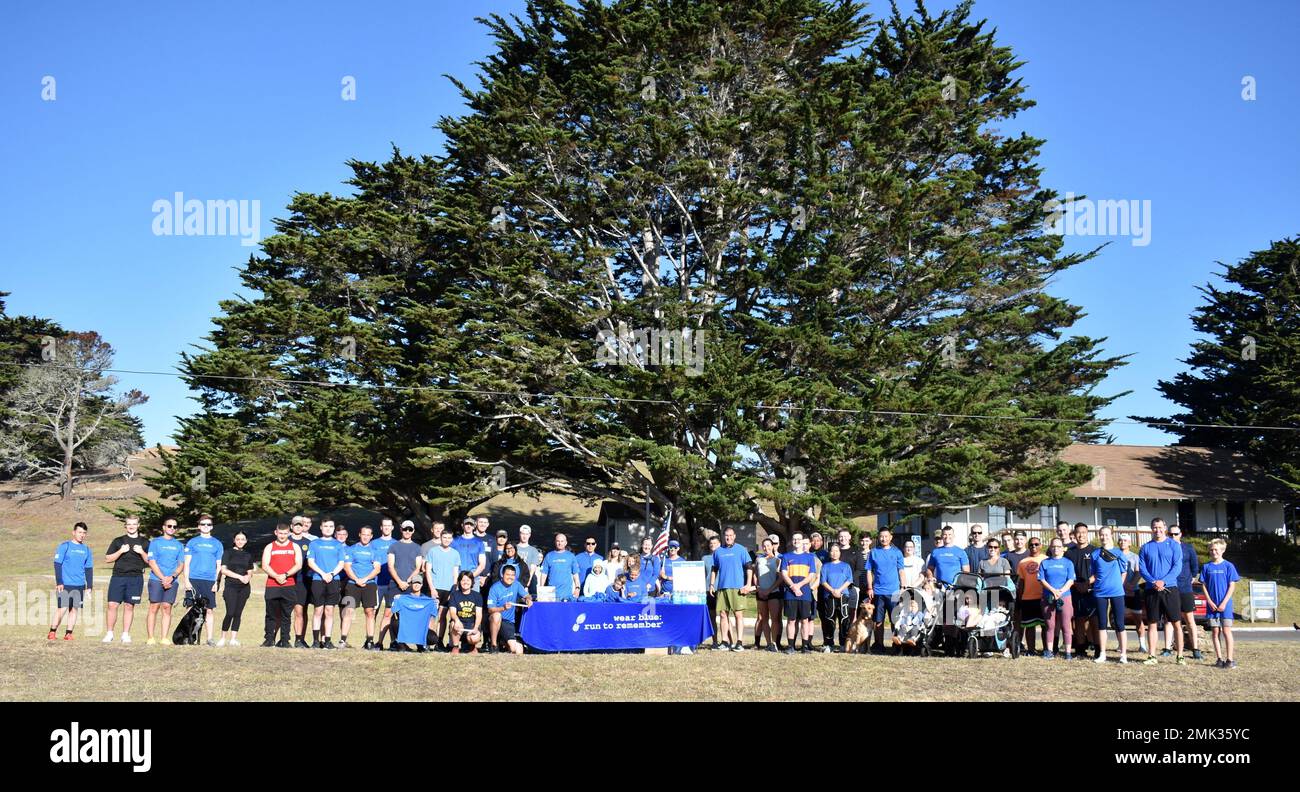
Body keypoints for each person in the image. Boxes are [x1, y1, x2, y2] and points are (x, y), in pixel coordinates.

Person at [1139, 518, 1184, 666]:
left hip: (1170, 589)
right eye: (1154, 527)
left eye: (1160, 527)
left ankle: (1180, 656)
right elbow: (1142, 568)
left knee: (1176, 623)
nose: (1157, 530)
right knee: (1152, 623)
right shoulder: (1145, 547)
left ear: (1164, 528)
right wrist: (1153, 582)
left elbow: (1177, 567)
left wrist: (1163, 581)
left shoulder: (1174, 545)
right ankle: (1151, 656)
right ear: (1151, 529)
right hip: (1151, 590)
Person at [102, 516, 150, 644]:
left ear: (138, 525)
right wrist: (120, 551)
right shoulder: (118, 541)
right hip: (118, 577)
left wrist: (141, 552)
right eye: (129, 524)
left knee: (129, 606)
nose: (131, 526)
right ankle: (109, 633)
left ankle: (125, 634)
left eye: (134, 524)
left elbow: (150, 561)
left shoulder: (145, 542)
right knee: (112, 605)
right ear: (125, 526)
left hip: (135, 578)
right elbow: (108, 558)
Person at [379, 521, 424, 650]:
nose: (407, 532)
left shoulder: (417, 548)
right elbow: (390, 566)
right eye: (405, 529)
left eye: (410, 529)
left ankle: (403, 642)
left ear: (413, 531)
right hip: (395, 585)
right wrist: (399, 582)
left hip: (410, 586)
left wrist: (408, 581)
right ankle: (380, 642)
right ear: (401, 529)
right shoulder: (394, 546)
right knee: (389, 613)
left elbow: (417, 568)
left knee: (408, 615)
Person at [1089, 525, 1129, 664]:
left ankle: (1123, 654)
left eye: (1106, 534)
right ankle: (1103, 654)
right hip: (1100, 592)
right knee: (1102, 623)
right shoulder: (1095, 554)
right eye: (1101, 535)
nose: (1104, 537)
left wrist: (1120, 584)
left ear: (1111, 535)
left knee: (1119, 623)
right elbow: (1093, 573)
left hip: (1117, 592)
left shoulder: (1119, 553)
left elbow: (1124, 572)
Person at [49, 522, 94, 641]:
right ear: (74, 532)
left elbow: (88, 568)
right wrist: (59, 582)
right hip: (65, 584)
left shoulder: (87, 549)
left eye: (84, 533)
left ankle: (68, 633)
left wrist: (89, 586)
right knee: (62, 608)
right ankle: (52, 632)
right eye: (80, 532)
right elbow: (57, 564)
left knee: (74, 609)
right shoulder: (65, 546)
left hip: (79, 585)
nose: (82, 535)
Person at [182, 514, 223, 646]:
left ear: (212, 527)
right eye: (203, 524)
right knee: (190, 608)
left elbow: (219, 566)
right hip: (194, 579)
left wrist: (216, 582)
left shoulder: (217, 543)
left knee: (209, 610)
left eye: (209, 524)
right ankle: (187, 637)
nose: (206, 527)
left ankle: (209, 638)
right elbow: (186, 564)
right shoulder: (192, 542)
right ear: (199, 526)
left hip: (209, 581)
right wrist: (186, 581)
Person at [711, 527, 753, 652]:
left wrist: (748, 584)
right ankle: (724, 642)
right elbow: (714, 569)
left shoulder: (741, 550)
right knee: (723, 614)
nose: (728, 538)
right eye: (726, 535)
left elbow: (749, 567)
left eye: (730, 535)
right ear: (724, 537)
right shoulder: (718, 551)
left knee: (738, 614)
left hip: (737, 587)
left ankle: (739, 642)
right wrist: (712, 584)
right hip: (722, 587)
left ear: (734, 536)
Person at [306, 518, 346, 649]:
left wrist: (332, 574)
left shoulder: (338, 545)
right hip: (318, 580)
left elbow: (341, 563)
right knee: (318, 610)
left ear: (334, 529)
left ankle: (327, 640)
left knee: (329, 611)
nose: (328, 528)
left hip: (333, 580)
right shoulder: (314, 543)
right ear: (321, 528)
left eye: (331, 526)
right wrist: (323, 574)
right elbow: (311, 562)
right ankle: (316, 641)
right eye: (326, 526)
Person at [261, 523, 301, 648]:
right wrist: (276, 576)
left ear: (289, 533)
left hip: (289, 584)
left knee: (286, 615)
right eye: (280, 533)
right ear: (276, 532)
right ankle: (269, 639)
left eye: (285, 533)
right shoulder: (269, 547)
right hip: (272, 585)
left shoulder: (294, 546)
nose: (282, 536)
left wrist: (285, 575)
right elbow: (265, 565)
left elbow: (298, 564)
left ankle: (285, 640)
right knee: (271, 614)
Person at [145, 518, 185, 645]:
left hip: (172, 581)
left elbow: (181, 565)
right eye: (169, 526)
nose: (172, 528)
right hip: (156, 580)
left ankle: (164, 637)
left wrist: (172, 577)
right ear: (163, 527)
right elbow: (152, 562)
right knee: (154, 607)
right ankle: (151, 637)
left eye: (174, 526)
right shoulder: (155, 542)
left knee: (167, 608)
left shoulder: (179, 545)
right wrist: (163, 578)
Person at [1201, 538, 1239, 669]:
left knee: (1226, 631)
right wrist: (1209, 601)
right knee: (1215, 632)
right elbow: (1204, 586)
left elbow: (1232, 586)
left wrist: (1224, 602)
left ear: (1222, 550)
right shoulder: (1206, 567)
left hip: (1225, 606)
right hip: (1212, 606)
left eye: (1216, 549)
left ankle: (1229, 659)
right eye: (1211, 550)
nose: (1213, 552)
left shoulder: (1229, 566)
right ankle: (1219, 658)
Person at [341, 525, 381, 649]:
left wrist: (365, 579)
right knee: (349, 611)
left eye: (368, 535)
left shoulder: (375, 551)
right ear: (359, 534)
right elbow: (347, 567)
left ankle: (369, 641)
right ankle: (342, 640)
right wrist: (356, 579)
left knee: (370, 612)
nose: (365, 537)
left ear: (371, 536)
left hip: (369, 585)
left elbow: (377, 569)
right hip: (353, 585)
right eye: (363, 534)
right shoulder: (351, 549)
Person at [780, 532, 819, 653]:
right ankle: (791, 646)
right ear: (792, 541)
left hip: (805, 593)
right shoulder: (786, 557)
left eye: (799, 539)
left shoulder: (810, 557)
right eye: (794, 539)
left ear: (803, 541)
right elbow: (784, 573)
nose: (796, 541)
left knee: (805, 620)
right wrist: (793, 586)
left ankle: (804, 646)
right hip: (790, 592)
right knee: (791, 620)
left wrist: (799, 586)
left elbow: (811, 574)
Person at [1167, 525, 1203, 660]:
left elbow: (1195, 567)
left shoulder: (1188, 548)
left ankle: (1196, 649)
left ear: (1180, 534)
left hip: (1185, 588)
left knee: (1189, 619)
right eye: (1170, 534)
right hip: (1170, 588)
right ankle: (1168, 648)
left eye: (1175, 534)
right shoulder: (1166, 548)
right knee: (1170, 620)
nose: (1172, 537)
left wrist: (1191, 579)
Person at [867, 527, 905, 651]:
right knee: (878, 621)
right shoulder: (873, 552)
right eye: (881, 536)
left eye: (886, 536)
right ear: (878, 537)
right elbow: (868, 571)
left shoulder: (897, 552)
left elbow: (901, 571)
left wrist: (903, 587)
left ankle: (896, 645)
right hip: (878, 591)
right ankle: (879, 644)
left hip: (894, 591)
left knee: (895, 620)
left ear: (890, 537)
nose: (883, 539)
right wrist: (869, 587)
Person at [1064, 523, 1098, 658]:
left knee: (1095, 621)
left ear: (1087, 533)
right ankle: (1080, 650)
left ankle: (1098, 649)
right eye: (1078, 532)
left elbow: (1100, 571)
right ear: (1074, 534)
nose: (1081, 535)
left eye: (1084, 532)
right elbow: (1066, 573)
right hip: (1075, 590)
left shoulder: (1095, 551)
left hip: (1092, 590)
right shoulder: (1069, 553)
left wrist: (1087, 582)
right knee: (1079, 621)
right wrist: (1076, 584)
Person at [1038, 537, 1076, 660]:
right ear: (1050, 548)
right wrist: (1053, 591)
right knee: (1050, 625)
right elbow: (1042, 580)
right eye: (1053, 546)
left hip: (1064, 596)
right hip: (1048, 597)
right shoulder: (1045, 563)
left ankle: (1068, 652)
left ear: (1063, 549)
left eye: (1059, 546)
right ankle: (1049, 651)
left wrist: (1060, 591)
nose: (1056, 549)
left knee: (1066, 625)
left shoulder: (1068, 563)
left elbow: (1071, 580)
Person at [423, 529, 460, 650]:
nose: (447, 540)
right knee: (432, 615)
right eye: (445, 537)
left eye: (449, 538)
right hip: (435, 588)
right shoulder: (433, 551)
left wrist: (454, 590)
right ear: (441, 538)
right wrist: (432, 589)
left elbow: (455, 574)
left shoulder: (455, 553)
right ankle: (428, 641)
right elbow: (428, 571)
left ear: (452, 539)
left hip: (448, 589)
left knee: (443, 616)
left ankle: (439, 641)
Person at [214, 531, 253, 647]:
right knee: (230, 612)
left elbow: (250, 571)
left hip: (244, 588)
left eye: (243, 539)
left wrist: (247, 577)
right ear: (234, 540)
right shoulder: (228, 553)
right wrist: (240, 577)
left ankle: (233, 639)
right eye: (238, 539)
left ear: (246, 541)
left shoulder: (248, 555)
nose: (240, 541)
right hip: (231, 586)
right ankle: (223, 638)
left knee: (238, 613)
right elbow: (224, 570)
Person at [818, 542, 855, 652]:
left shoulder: (845, 566)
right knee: (830, 620)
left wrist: (839, 590)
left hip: (843, 595)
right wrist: (833, 590)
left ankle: (843, 644)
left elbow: (849, 580)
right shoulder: (825, 566)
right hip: (829, 596)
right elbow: (823, 581)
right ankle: (829, 644)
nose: (834, 553)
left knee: (844, 619)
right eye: (832, 551)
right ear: (829, 553)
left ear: (840, 553)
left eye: (836, 551)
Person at [486, 563, 531, 653]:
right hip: (495, 619)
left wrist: (528, 599)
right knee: (497, 616)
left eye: (513, 575)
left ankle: (504, 642)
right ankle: (493, 645)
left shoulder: (516, 584)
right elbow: (490, 610)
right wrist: (503, 608)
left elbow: (527, 595)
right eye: (508, 574)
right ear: (502, 575)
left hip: (508, 622)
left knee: (517, 650)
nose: (510, 577)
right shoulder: (494, 588)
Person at [1015, 537, 1047, 655]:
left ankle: (1046, 649)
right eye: (1031, 545)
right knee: (1030, 626)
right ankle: (1031, 650)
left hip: (1044, 597)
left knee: (1045, 626)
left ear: (1041, 545)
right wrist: (1019, 598)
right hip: (1028, 598)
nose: (1034, 547)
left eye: (1036, 544)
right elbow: (1021, 582)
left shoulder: (1046, 560)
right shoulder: (1023, 562)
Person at [389, 576, 438, 652]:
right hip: (407, 627)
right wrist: (397, 599)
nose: (417, 585)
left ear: (422, 585)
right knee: (395, 622)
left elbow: (432, 618)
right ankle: (400, 644)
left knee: (433, 638)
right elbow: (394, 611)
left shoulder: (428, 600)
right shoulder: (403, 598)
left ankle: (421, 645)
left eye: (419, 583)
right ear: (411, 584)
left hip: (420, 629)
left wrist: (435, 603)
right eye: (415, 582)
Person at [752, 537, 783, 651]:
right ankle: (768, 643)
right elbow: (755, 574)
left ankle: (774, 643)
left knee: (774, 619)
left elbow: (780, 578)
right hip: (761, 592)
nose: (766, 548)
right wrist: (759, 588)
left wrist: (769, 590)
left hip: (773, 592)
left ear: (772, 546)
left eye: (768, 545)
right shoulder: (758, 559)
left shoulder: (777, 560)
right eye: (764, 546)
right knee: (764, 618)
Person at [288, 516, 314, 647]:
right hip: (288, 580)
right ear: (291, 526)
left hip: (303, 581)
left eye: (300, 525)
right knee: (287, 610)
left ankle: (300, 639)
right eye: (295, 525)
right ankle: (282, 638)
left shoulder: (308, 543)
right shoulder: (285, 540)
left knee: (302, 610)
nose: (298, 527)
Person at [1118, 534, 1145, 651]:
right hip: (1119, 592)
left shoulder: (1135, 557)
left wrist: (1131, 585)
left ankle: (1142, 645)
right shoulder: (1115, 556)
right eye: (1120, 540)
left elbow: (1138, 572)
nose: (1122, 542)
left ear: (1129, 543)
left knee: (1137, 619)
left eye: (1125, 540)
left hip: (1133, 592)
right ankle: (1120, 644)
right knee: (1119, 619)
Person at [448, 571, 484, 654]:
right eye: (463, 580)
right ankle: (456, 646)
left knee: (474, 638)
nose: (465, 582)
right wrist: (457, 621)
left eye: (468, 580)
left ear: (472, 582)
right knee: (453, 623)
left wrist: (475, 627)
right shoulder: (454, 595)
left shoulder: (477, 596)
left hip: (471, 624)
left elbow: (479, 615)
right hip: (459, 625)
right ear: (459, 582)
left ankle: (472, 646)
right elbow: (452, 612)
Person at [539, 533, 580, 601]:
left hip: (567, 594)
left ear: (566, 543)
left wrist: (577, 588)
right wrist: (541, 589)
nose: (560, 543)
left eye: (562, 541)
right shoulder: (549, 556)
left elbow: (575, 574)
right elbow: (544, 575)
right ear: (555, 542)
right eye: (558, 541)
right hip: (551, 594)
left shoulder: (571, 556)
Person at [451, 518, 487, 591]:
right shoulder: (455, 541)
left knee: (473, 601)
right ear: (462, 525)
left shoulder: (479, 542)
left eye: (471, 525)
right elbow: (451, 561)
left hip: (474, 577)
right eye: (467, 524)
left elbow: (482, 564)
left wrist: (470, 577)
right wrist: (459, 577)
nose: (469, 526)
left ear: (474, 527)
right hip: (458, 577)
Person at [701, 535, 721, 649]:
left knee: (724, 616)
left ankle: (727, 641)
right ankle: (715, 641)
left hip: (722, 589)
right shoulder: (705, 558)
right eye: (711, 543)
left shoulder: (722, 557)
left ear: (719, 544)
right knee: (711, 616)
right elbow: (701, 575)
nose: (713, 545)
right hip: (709, 591)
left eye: (715, 543)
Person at [516, 524, 543, 596]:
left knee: (532, 595)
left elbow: (533, 566)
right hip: (515, 576)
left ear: (529, 535)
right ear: (519, 534)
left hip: (528, 576)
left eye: (526, 534)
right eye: (523, 534)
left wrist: (529, 580)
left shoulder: (533, 550)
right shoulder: (514, 548)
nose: (524, 536)